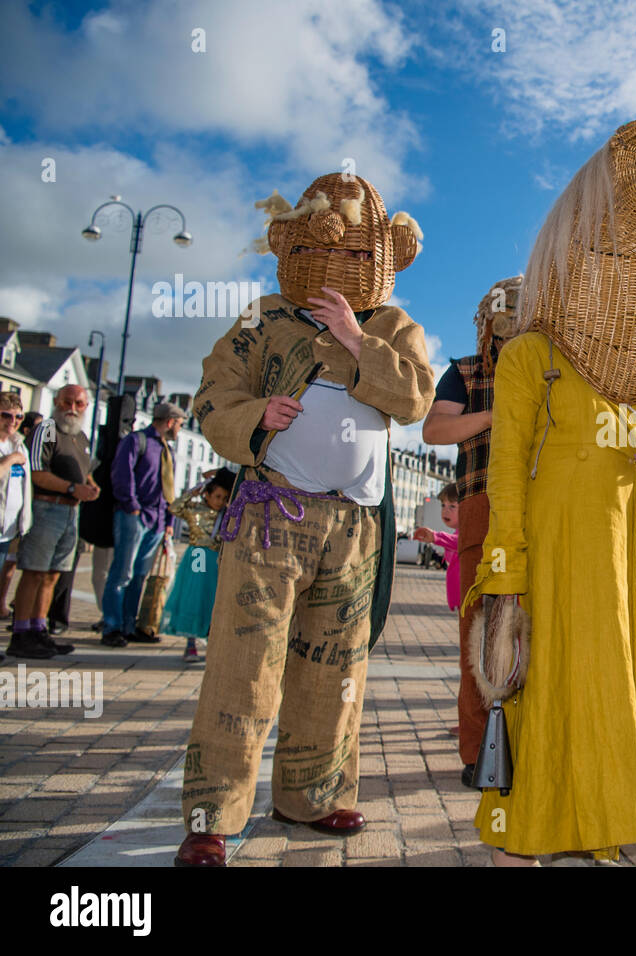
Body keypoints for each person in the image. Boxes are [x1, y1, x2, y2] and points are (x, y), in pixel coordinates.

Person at [463, 105, 636, 866]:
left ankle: (598, 828)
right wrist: (507, 573)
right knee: (545, 684)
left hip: (620, 553)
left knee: (610, 690)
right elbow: (506, 474)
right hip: (549, 550)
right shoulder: (529, 357)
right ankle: (528, 832)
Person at [176, 173, 433, 867]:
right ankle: (212, 815)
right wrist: (257, 415)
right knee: (243, 665)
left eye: (360, 256)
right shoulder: (263, 318)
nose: (348, 267)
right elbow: (212, 395)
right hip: (271, 514)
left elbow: (414, 401)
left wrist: (356, 341)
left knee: (338, 667)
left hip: (354, 526)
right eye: (336, 252)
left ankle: (312, 795)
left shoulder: (392, 326)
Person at [423, 276, 523, 787]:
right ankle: (478, 752)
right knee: (480, 633)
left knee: (539, 631)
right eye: (501, 325)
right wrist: (496, 414)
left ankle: (531, 744)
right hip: (482, 507)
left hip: (540, 508)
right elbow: (434, 430)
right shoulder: (463, 370)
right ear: (487, 326)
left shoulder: (558, 368)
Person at [6, 386, 98, 660]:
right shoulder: (47, 429)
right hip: (48, 507)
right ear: (57, 402)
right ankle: (21, 633)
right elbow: (36, 472)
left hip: (71, 511)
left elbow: (84, 472)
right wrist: (72, 488)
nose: (72, 407)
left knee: (53, 575)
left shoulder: (80, 435)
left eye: (79, 403)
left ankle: (39, 629)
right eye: (67, 402)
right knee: (34, 571)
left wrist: (91, 486)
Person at [100, 402, 184, 647]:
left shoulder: (167, 450)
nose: (179, 429)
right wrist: (132, 505)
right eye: (179, 424)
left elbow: (168, 488)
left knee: (139, 576)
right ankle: (112, 626)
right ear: (169, 421)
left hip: (157, 521)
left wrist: (169, 520)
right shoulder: (136, 441)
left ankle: (129, 625)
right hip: (134, 517)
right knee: (122, 573)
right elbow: (122, 473)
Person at [162, 467, 235, 663]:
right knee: (194, 597)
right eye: (217, 496)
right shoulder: (194, 509)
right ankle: (191, 643)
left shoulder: (226, 514)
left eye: (223, 497)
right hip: (197, 556)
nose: (220, 501)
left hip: (215, 558)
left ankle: (209, 637)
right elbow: (174, 509)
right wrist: (189, 494)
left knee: (212, 598)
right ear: (207, 494)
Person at [0, 393, 32, 663]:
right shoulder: (13, 452)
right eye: (6, 415)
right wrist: (10, 460)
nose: (13, 421)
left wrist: (25, 521)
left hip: (8, 529)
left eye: (17, 416)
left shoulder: (18, 444)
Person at [413, 484, 460, 612]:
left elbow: (461, 542)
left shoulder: (468, 531)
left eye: (452, 506)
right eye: (443, 505)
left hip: (467, 597)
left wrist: (436, 537)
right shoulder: (458, 531)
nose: (446, 510)